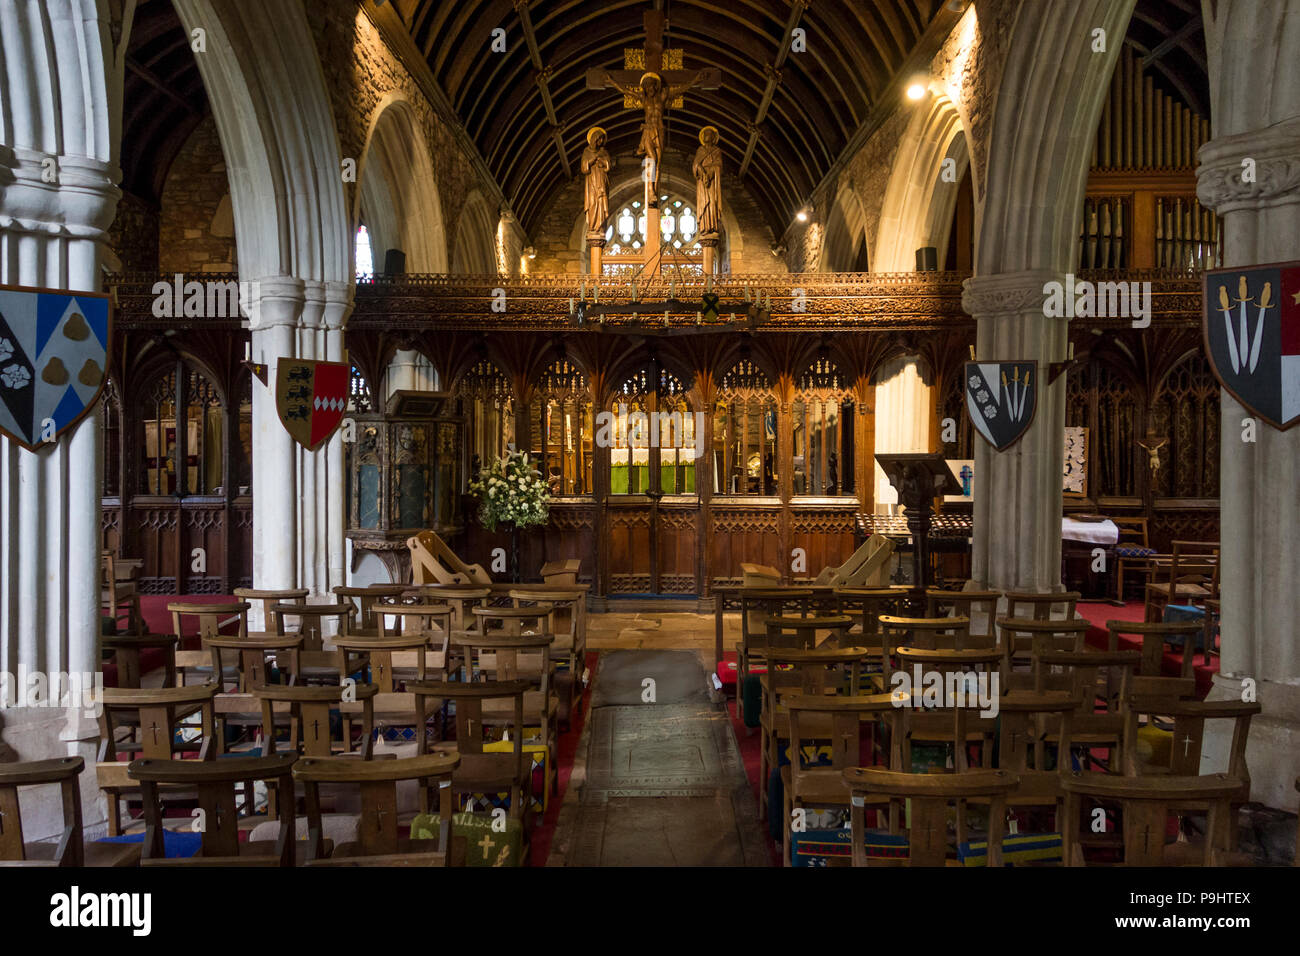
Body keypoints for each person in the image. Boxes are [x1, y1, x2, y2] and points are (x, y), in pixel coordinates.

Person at [581, 127, 612, 235]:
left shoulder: (604, 152)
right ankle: (593, 227)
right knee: (593, 202)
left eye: (602, 140)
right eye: (599, 139)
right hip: (592, 183)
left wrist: (602, 160)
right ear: (594, 139)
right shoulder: (587, 151)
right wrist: (593, 159)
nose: (601, 142)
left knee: (601, 203)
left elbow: (608, 166)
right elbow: (584, 168)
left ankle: (600, 226)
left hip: (601, 181)